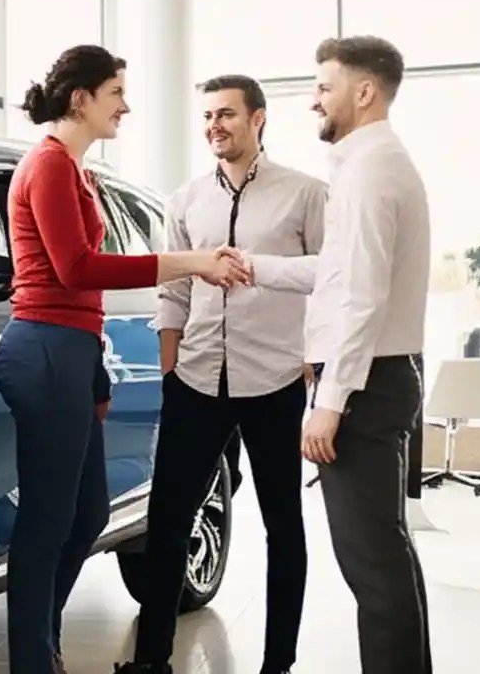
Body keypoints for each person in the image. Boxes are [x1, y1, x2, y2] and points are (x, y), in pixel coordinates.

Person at [0, 44, 250, 674]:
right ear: (79, 98)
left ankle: (41, 640)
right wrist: (192, 261)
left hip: (72, 351)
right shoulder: (49, 165)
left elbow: (82, 290)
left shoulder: (75, 170)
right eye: (116, 94)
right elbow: (75, 268)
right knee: (47, 524)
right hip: (44, 347)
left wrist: (97, 368)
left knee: (88, 515)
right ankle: (33, 659)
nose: (126, 106)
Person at [226, 35, 434, 674]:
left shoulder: (371, 174)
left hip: (366, 385)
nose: (313, 99)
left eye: (324, 86)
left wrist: (330, 403)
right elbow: (339, 273)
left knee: (371, 567)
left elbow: (363, 300)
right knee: (387, 555)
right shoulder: (372, 166)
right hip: (381, 376)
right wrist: (254, 266)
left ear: (364, 91)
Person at [115, 75, 326, 674]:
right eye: (208, 115)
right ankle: (151, 660)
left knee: (283, 527)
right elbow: (173, 293)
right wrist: (169, 373)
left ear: (258, 119)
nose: (215, 125)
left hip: (274, 381)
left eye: (227, 114)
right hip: (197, 379)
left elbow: (331, 277)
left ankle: (277, 664)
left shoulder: (306, 194)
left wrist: (266, 277)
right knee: (167, 520)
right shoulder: (185, 202)